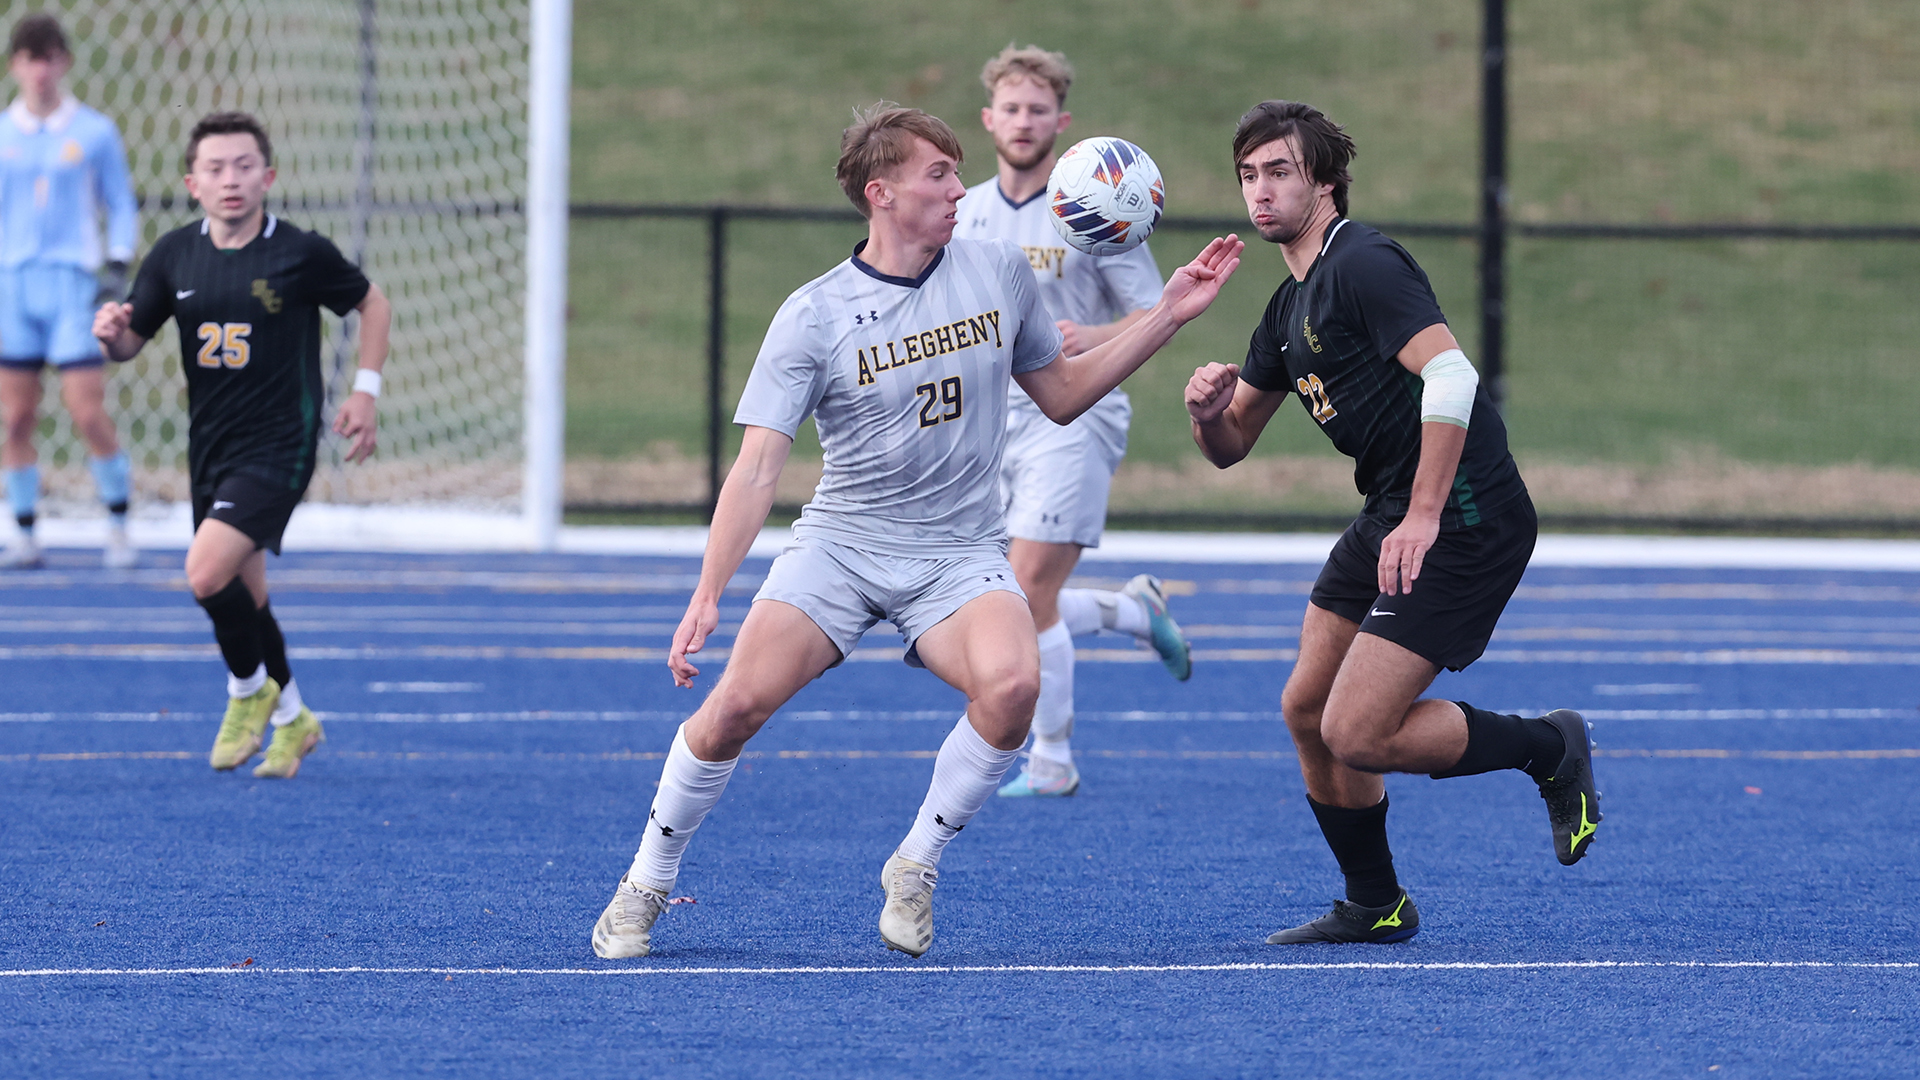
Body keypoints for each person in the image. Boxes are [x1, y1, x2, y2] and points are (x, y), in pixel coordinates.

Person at [590, 104, 1241, 960]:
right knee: (732, 710)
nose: (956, 190)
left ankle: (917, 864)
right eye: (938, 174)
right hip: (841, 547)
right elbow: (755, 471)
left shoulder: (1001, 271)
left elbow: (1064, 393)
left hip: (959, 552)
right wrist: (708, 594)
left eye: (955, 171)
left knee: (1014, 690)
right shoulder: (814, 314)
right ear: (881, 193)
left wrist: (1170, 314)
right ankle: (645, 882)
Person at [1182, 100, 1599, 945]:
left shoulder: (1364, 263)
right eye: (1248, 176)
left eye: (1280, 172)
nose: (1260, 192)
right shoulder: (1284, 309)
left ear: (1326, 181)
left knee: (1357, 730)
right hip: (1392, 512)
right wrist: (1203, 411)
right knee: (1307, 709)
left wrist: (1424, 515)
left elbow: (1452, 377)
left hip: (1465, 516)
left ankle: (1548, 747)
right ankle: (1377, 904)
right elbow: (1231, 447)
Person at [93, 111, 391, 779]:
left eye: (244, 166)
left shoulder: (300, 252)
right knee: (244, 592)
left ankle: (246, 689)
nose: (231, 179)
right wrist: (110, 332)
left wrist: (364, 390)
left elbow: (373, 303)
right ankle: (293, 720)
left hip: (280, 446)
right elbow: (128, 342)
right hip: (213, 449)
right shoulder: (175, 254)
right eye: (216, 168)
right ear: (192, 182)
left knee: (204, 572)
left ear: (269, 176)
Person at [953, 44, 1192, 801]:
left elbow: (1157, 312)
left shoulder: (1093, 203)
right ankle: (1130, 609)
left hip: (1074, 415)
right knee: (993, 595)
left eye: (1038, 110)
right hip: (992, 425)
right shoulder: (968, 211)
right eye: (1011, 109)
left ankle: (1052, 759)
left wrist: (1091, 339)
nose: (1024, 122)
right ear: (990, 119)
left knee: (1023, 593)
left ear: (1063, 122)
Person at [0, 14, 139, 569]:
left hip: (72, 286)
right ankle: (25, 530)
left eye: (49, 57)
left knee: (86, 411)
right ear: (15, 65)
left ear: (65, 62)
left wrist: (117, 261)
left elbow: (120, 203)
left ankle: (120, 522)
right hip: (13, 287)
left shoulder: (94, 132)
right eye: (30, 58)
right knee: (14, 417)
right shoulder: (3, 132)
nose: (40, 70)